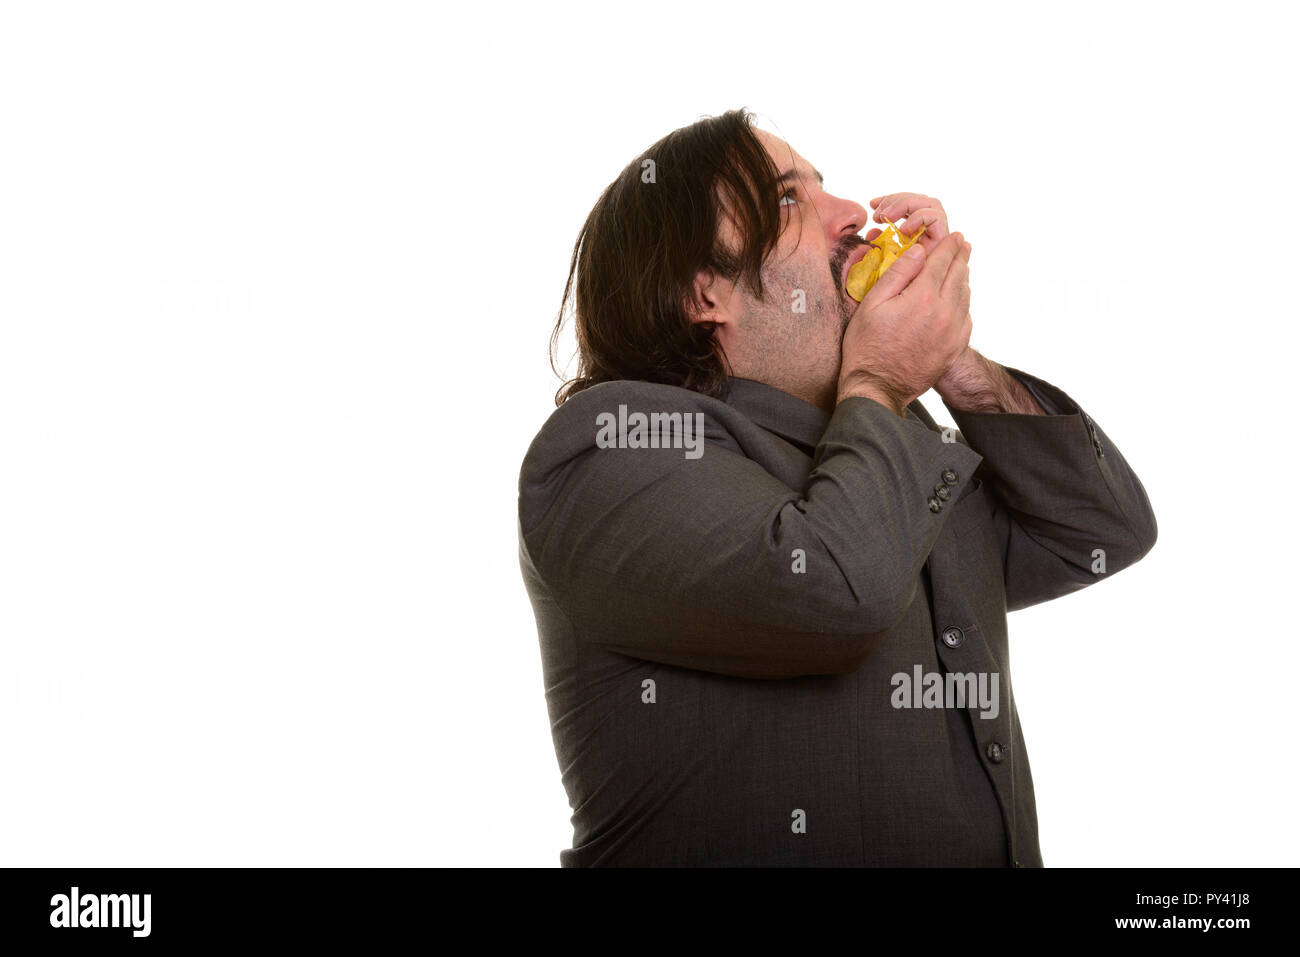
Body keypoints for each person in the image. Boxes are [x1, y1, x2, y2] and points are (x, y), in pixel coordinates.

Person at [517, 108, 1157, 866]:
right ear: (702, 293)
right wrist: (882, 377)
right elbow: (831, 592)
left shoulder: (897, 441)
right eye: (789, 199)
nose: (853, 214)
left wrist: (957, 369)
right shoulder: (607, 451)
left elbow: (1099, 531)